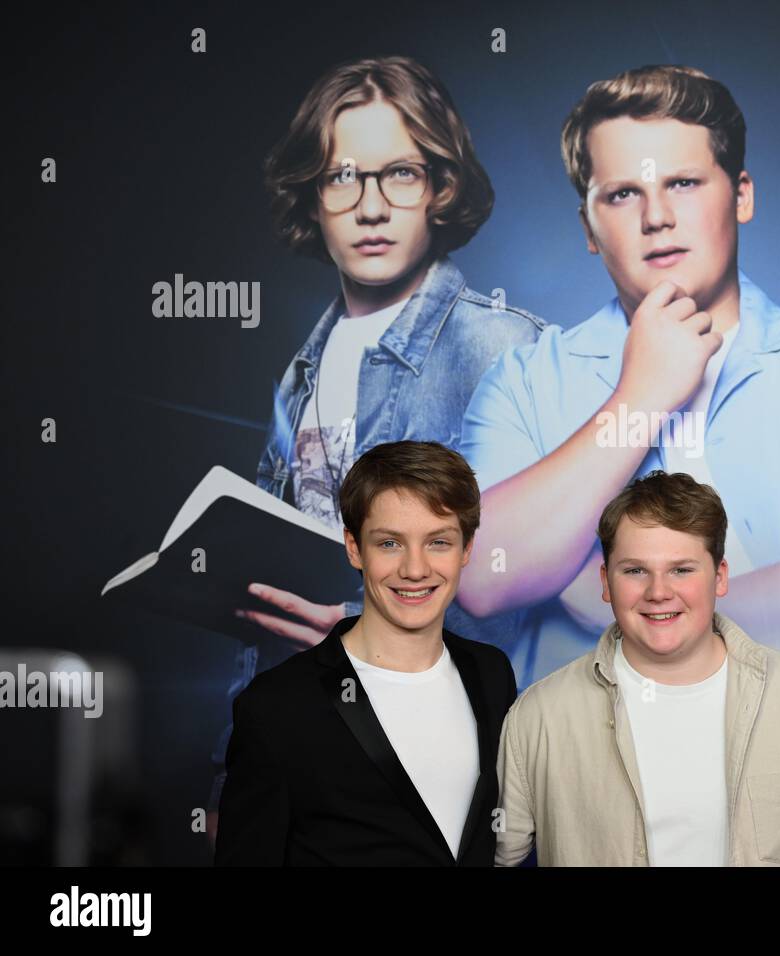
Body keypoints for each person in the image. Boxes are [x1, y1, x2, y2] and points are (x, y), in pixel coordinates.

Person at [458, 64, 780, 683]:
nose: (657, 216)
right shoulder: (523, 380)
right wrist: (640, 396)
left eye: (684, 183)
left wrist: (627, 604)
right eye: (622, 194)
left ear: (742, 195)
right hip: (590, 766)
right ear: (588, 227)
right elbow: (481, 575)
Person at [208, 55, 544, 827]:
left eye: (399, 174)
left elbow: (538, 584)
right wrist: (235, 772)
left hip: (436, 775)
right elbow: (267, 604)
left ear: (441, 188)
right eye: (342, 178)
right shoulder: (300, 372)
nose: (370, 207)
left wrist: (373, 635)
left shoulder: (506, 350)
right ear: (313, 199)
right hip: (304, 766)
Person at [494, 471, 780, 866]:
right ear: (606, 582)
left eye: (682, 570)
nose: (659, 592)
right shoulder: (540, 716)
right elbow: (496, 855)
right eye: (635, 570)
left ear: (720, 577)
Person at [215, 441, 516, 865]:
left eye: (438, 542)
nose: (415, 569)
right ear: (355, 548)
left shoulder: (491, 673)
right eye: (390, 543)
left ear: (466, 549)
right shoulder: (278, 705)